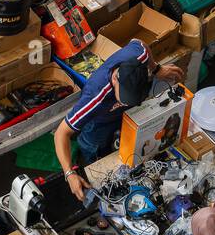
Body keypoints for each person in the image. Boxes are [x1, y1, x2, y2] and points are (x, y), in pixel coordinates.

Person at [53, 39, 185, 201]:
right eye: (122, 99)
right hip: (97, 124)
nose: (123, 103)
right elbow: (61, 133)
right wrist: (69, 173)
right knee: (94, 156)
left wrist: (156, 69)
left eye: (129, 100)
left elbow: (140, 43)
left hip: (122, 116)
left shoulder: (139, 56)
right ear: (115, 79)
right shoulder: (94, 98)